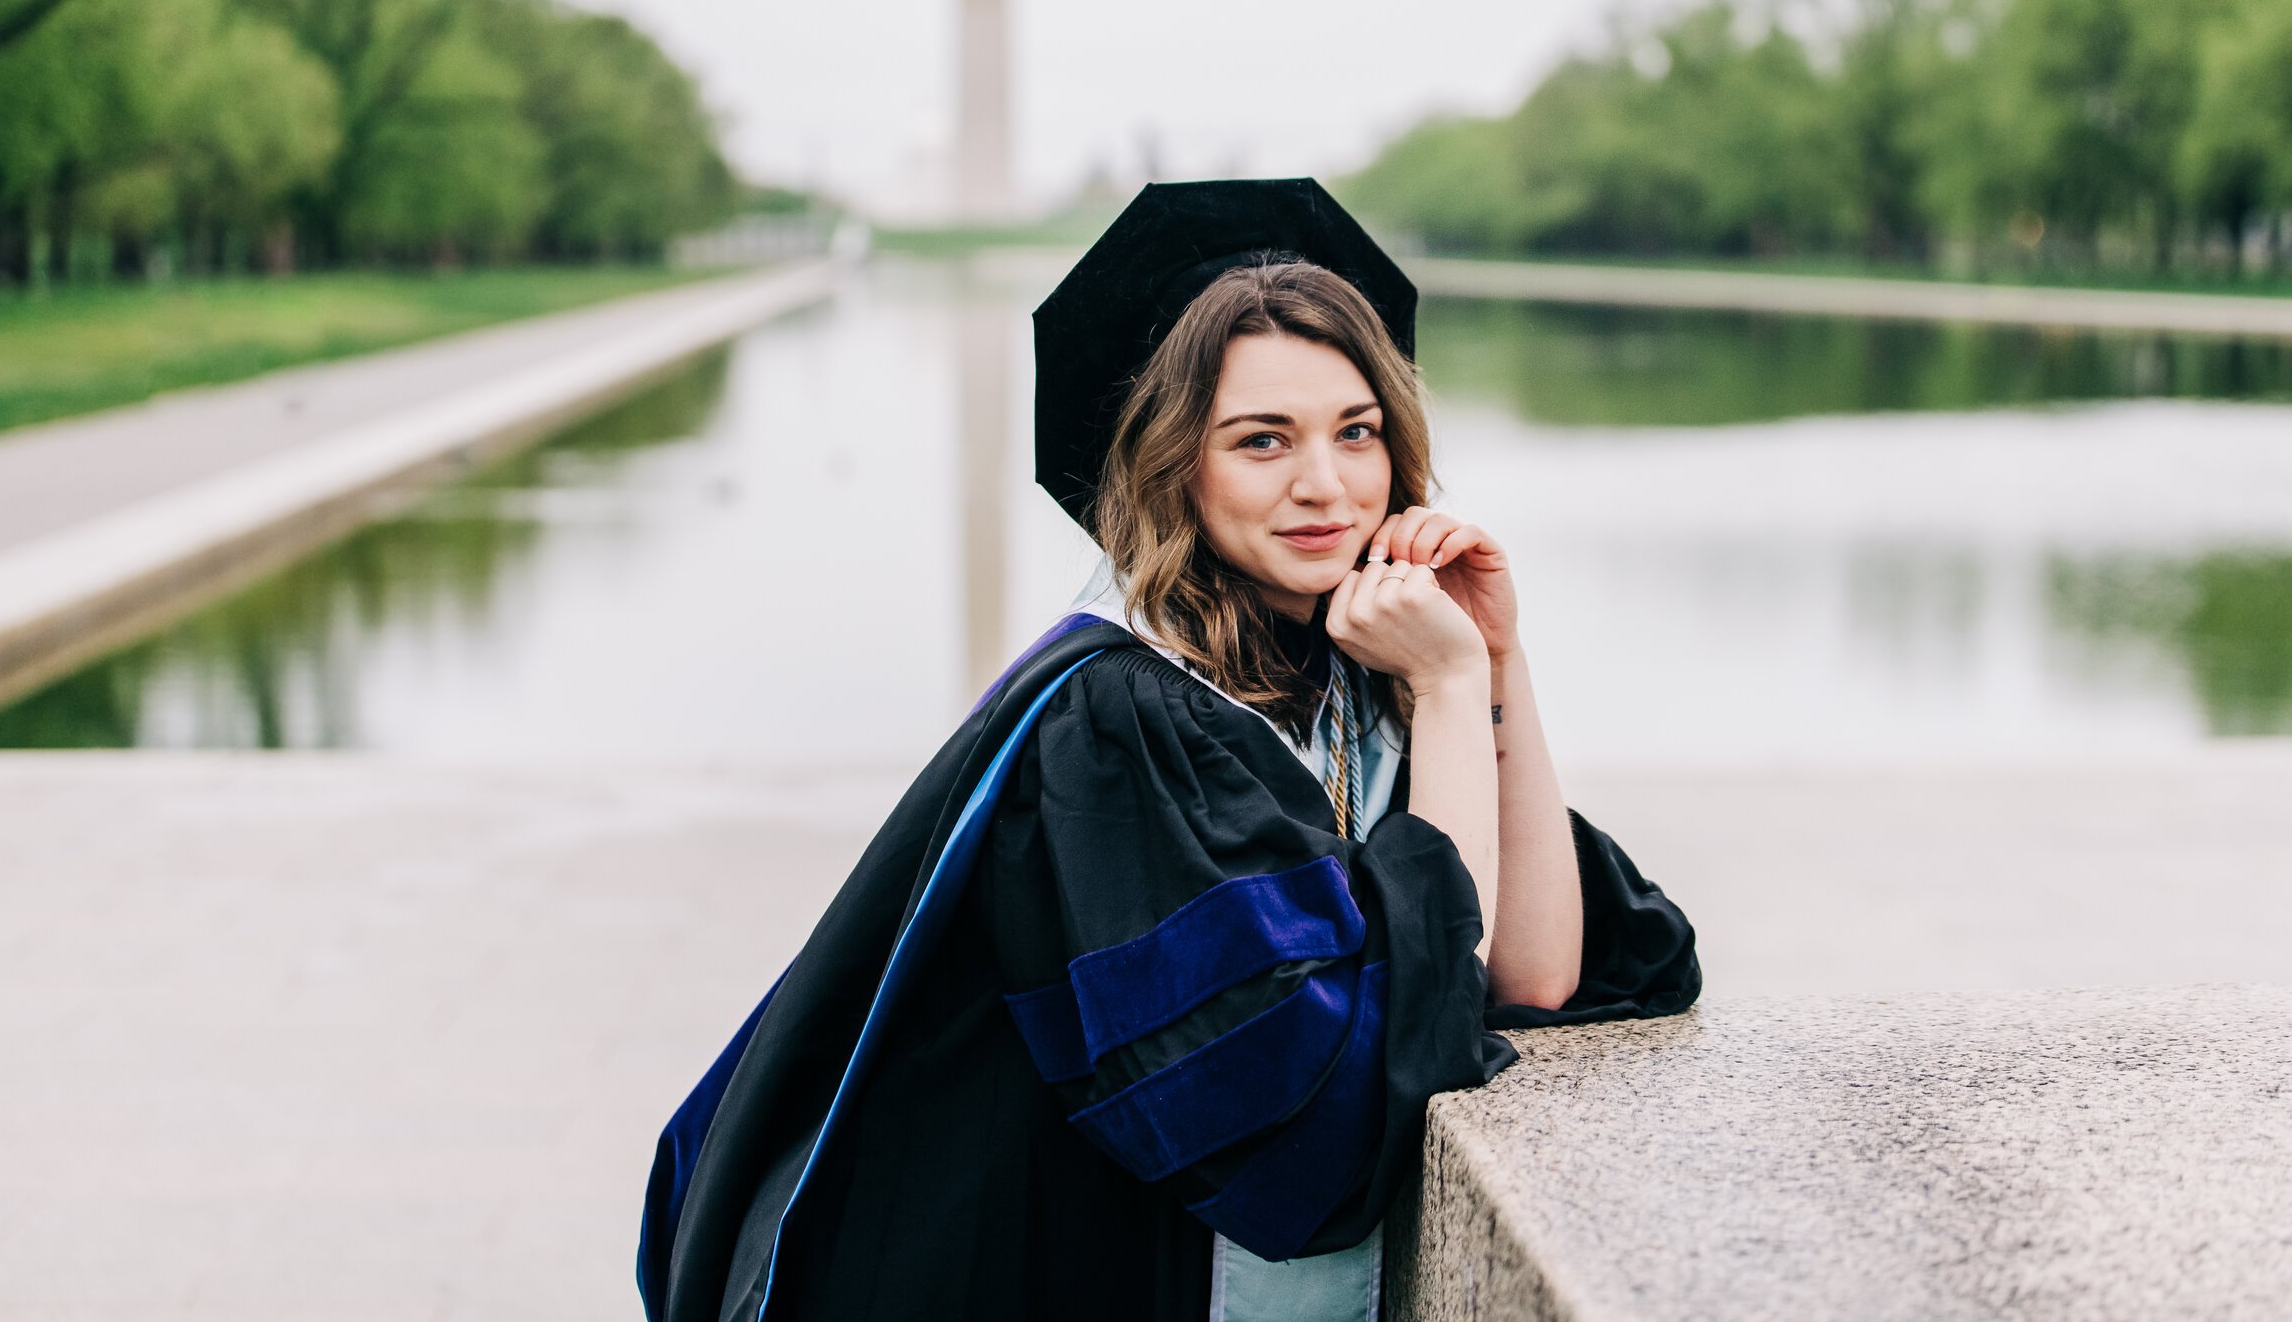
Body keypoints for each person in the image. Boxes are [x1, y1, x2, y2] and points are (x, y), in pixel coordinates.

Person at [638, 178, 1699, 1322]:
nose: (1325, 484)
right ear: (1169, 463)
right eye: (1260, 441)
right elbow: (1333, 1126)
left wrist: (1492, 658)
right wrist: (1442, 685)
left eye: (1357, 431)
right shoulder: (1122, 725)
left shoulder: (1348, 671)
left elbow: (1532, 972)